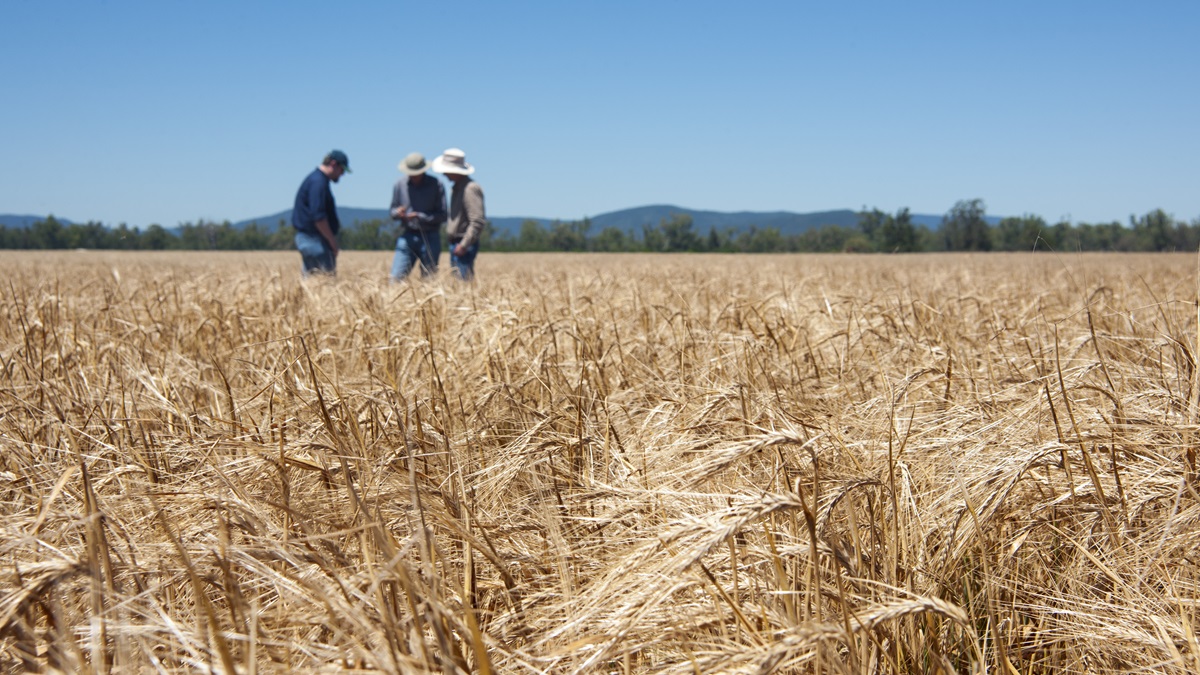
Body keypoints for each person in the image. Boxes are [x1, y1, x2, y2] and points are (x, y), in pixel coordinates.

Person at [390, 152, 447, 281]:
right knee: (395, 279)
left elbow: (443, 215)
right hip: (408, 235)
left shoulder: (436, 185)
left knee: (429, 280)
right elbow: (392, 211)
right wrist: (398, 213)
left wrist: (420, 216)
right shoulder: (399, 185)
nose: (413, 176)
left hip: (431, 235)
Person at [292, 150, 349, 276]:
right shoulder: (318, 182)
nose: (342, 174)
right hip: (315, 240)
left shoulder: (315, 180)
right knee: (326, 284)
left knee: (313, 287)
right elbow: (319, 217)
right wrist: (332, 242)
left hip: (310, 239)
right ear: (333, 164)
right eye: (342, 169)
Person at [432, 148, 486, 281]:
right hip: (459, 243)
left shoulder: (469, 188)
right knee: (459, 283)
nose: (444, 174)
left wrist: (464, 244)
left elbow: (477, 221)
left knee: (463, 284)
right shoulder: (458, 188)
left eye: (446, 170)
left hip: (463, 244)